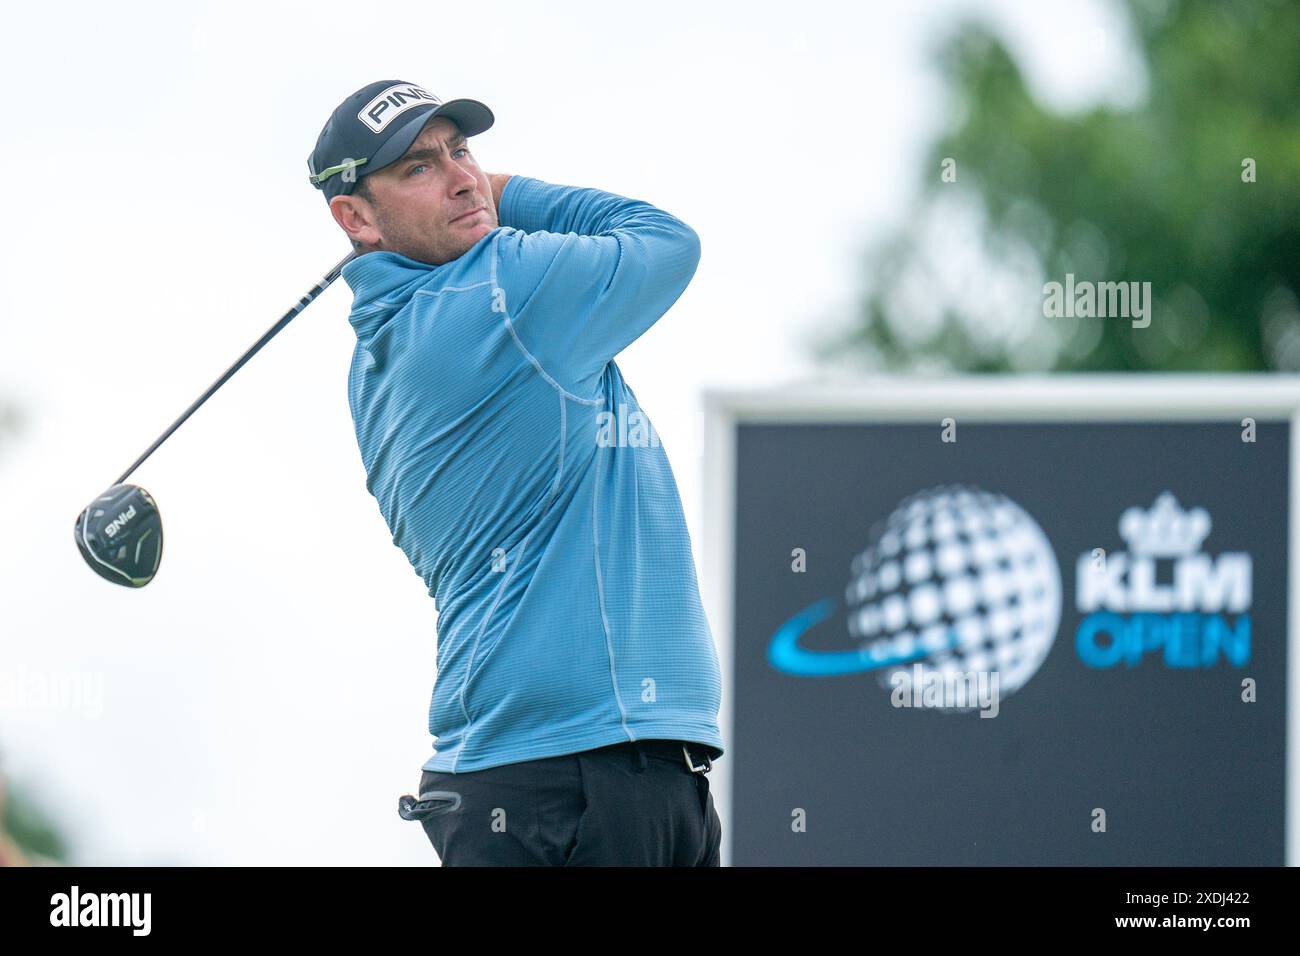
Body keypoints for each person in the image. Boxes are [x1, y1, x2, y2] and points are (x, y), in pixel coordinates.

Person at [307, 80, 724, 866]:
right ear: (354, 217)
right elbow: (666, 240)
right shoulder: (502, 291)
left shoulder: (373, 362)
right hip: (576, 785)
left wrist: (455, 198)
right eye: (417, 168)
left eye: (462, 152)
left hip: (564, 778)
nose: (462, 175)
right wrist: (501, 193)